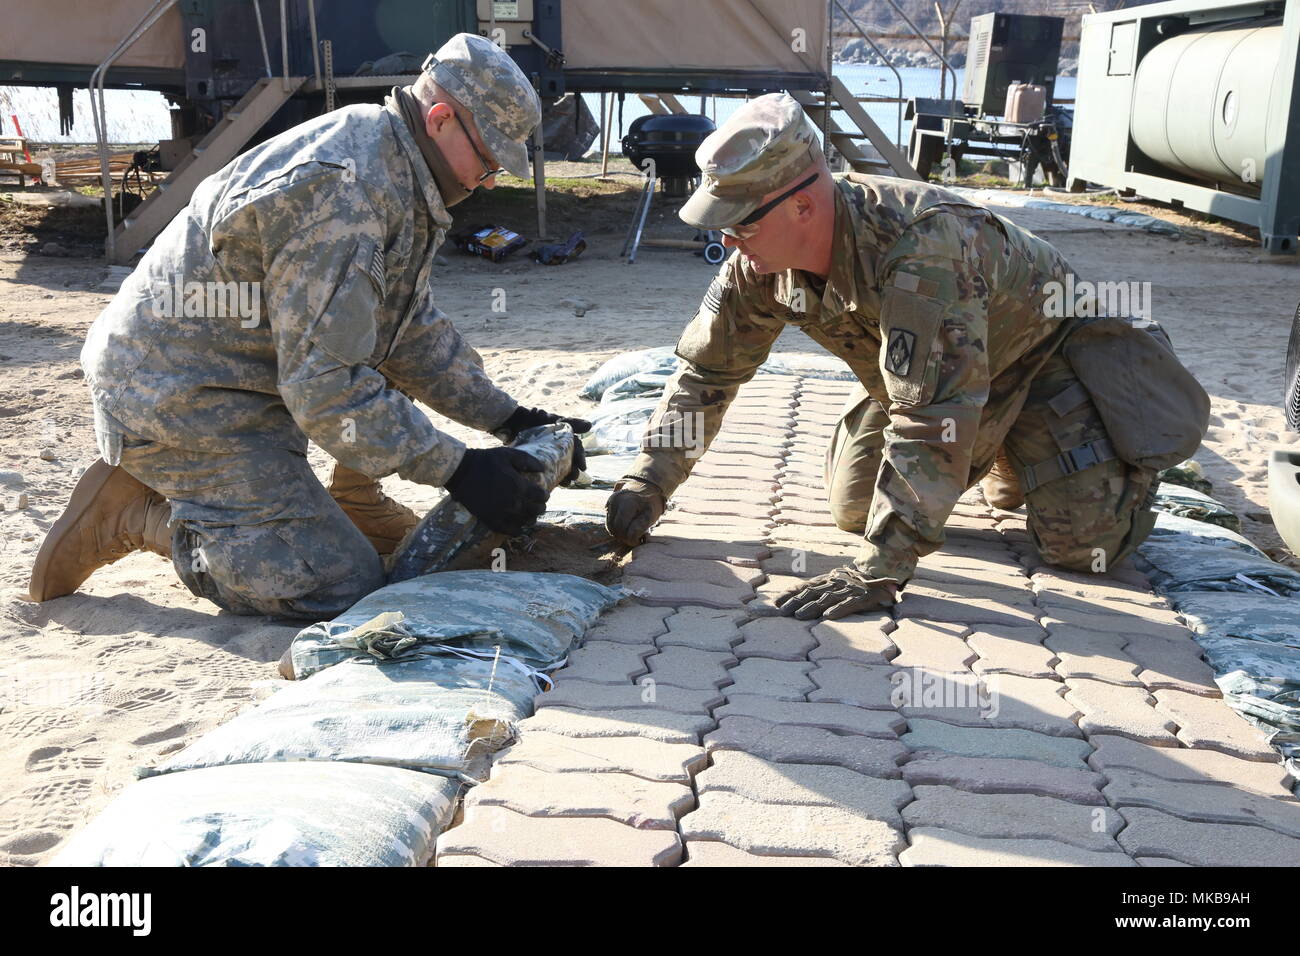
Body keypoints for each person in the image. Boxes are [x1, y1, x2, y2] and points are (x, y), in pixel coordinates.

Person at [30, 33, 587, 619]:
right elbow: (324, 384)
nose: (492, 180)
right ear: (443, 119)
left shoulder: (394, 160)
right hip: (177, 396)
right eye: (490, 159)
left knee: (365, 355)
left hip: (247, 379)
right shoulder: (344, 190)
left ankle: (350, 501)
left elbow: (408, 328)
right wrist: (458, 469)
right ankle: (144, 517)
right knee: (334, 586)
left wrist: (510, 418)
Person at [605, 92, 1207, 620]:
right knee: (856, 510)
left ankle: (1064, 439)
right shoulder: (758, 265)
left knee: (1084, 549)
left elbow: (932, 419)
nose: (725, 240)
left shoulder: (925, 252)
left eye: (738, 225)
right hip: (935, 374)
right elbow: (707, 374)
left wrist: (881, 569)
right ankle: (997, 452)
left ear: (802, 207)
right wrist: (648, 483)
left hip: (1038, 356)